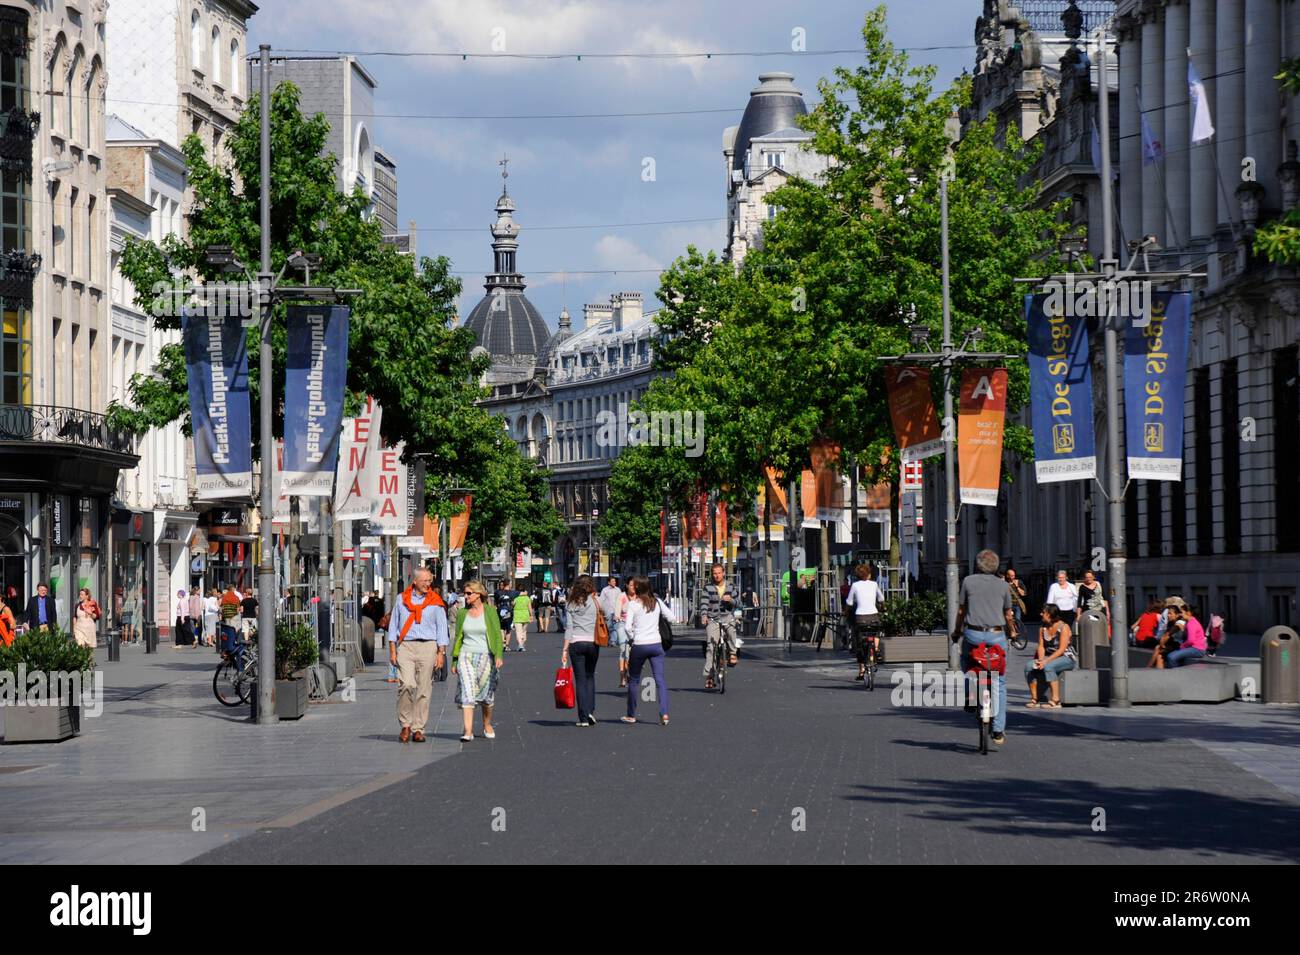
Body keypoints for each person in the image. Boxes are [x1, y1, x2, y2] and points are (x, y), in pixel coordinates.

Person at [953, 549, 1015, 745]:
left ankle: (970, 697)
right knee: (1000, 682)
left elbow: (962, 610)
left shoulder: (968, 582)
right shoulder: (1004, 585)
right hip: (996, 635)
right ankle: (998, 729)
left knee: (966, 661)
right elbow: (1008, 615)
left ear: (978, 564)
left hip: (973, 633)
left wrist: (956, 631)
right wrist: (1012, 632)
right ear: (996, 566)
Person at [388, 568, 449, 743]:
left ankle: (418, 728)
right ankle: (405, 724)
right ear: (415, 581)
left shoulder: (435, 601)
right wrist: (392, 650)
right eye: (425, 581)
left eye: (430, 581)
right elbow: (394, 626)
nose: (428, 584)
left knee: (424, 689)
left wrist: (441, 653)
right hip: (406, 646)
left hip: (428, 646)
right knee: (406, 684)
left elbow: (442, 629)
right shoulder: (401, 599)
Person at [451, 580, 504, 742]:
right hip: (465, 657)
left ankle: (487, 724)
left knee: (486, 697)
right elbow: (458, 638)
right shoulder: (461, 613)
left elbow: (496, 634)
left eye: (468, 593)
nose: (465, 596)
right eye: (464, 593)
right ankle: (467, 731)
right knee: (467, 693)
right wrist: (454, 661)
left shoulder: (489, 611)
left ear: (478, 594)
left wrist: (499, 655)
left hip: (486, 656)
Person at [621, 576, 675, 726]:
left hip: (639, 644)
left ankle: (631, 714)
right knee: (660, 680)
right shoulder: (656, 602)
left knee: (634, 680)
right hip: (656, 645)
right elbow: (672, 617)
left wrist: (633, 637)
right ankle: (664, 714)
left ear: (638, 588)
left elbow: (627, 627)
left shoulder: (633, 604)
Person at [560, 575, 600, 726]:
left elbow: (569, 628)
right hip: (593, 642)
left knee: (580, 680)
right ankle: (590, 711)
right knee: (590, 676)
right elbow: (608, 615)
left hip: (576, 643)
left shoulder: (571, 603)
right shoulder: (596, 601)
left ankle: (583, 718)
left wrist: (565, 649)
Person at [1025, 603, 1075, 708]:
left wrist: (1046, 662)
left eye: (1043, 612)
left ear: (1049, 614)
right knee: (1029, 666)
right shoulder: (1042, 628)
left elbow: (1061, 649)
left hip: (1066, 657)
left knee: (1049, 667)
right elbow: (1041, 646)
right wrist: (1041, 659)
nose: (1041, 614)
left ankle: (1056, 700)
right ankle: (1035, 698)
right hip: (1049, 657)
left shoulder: (1063, 627)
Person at [700, 563, 739, 689]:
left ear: (723, 573)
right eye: (714, 573)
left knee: (732, 630)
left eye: (719, 573)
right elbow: (704, 602)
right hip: (713, 618)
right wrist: (704, 615)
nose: (717, 576)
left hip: (727, 616)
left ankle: (733, 653)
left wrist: (731, 600)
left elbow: (739, 602)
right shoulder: (708, 587)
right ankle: (709, 676)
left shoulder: (731, 586)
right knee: (711, 647)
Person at [845, 564, 886, 681]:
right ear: (868, 574)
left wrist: (846, 612)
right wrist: (883, 608)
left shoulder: (855, 585)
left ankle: (861, 670)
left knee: (859, 642)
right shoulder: (874, 584)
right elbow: (881, 599)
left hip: (860, 618)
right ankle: (877, 649)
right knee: (876, 631)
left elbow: (849, 602)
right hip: (873, 615)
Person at [1075, 570, 1109, 637]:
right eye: (1087, 577)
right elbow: (1080, 601)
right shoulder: (1082, 587)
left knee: (1100, 628)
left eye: (1090, 577)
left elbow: (1104, 598)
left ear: (1093, 577)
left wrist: (1107, 611)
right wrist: (1078, 614)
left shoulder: (1099, 585)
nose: (1088, 579)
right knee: (1091, 629)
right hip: (1088, 611)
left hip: (1100, 610)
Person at [1005, 567, 1028, 638]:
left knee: (1018, 620)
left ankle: (1016, 634)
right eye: (1011, 576)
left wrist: (1017, 586)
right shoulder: (1004, 584)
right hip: (1008, 605)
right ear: (1007, 576)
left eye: (1014, 576)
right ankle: (1011, 633)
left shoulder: (1019, 582)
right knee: (1009, 620)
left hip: (1017, 605)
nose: (1013, 577)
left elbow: (1023, 593)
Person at [511, 586, 533, 652]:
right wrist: (531, 615)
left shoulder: (516, 598)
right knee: (524, 631)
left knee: (518, 632)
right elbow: (530, 607)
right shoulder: (527, 598)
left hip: (517, 615)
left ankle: (520, 645)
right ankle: (522, 644)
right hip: (526, 615)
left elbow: (512, 604)